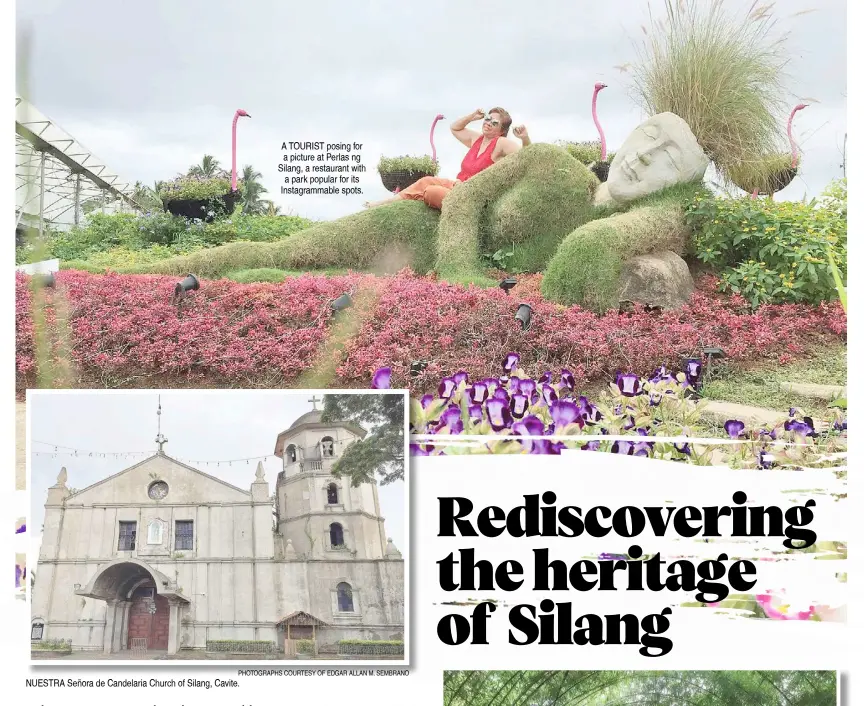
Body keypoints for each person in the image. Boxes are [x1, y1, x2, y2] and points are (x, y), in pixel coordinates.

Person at [365, 107, 531, 210]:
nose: (488, 123)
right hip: (457, 186)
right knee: (426, 181)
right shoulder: (477, 139)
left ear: (501, 130)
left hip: (472, 195)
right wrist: (472, 116)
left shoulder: (501, 143)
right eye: (488, 119)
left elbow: (527, 156)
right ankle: (384, 204)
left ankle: (417, 201)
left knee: (432, 192)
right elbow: (455, 128)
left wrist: (524, 138)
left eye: (494, 123)